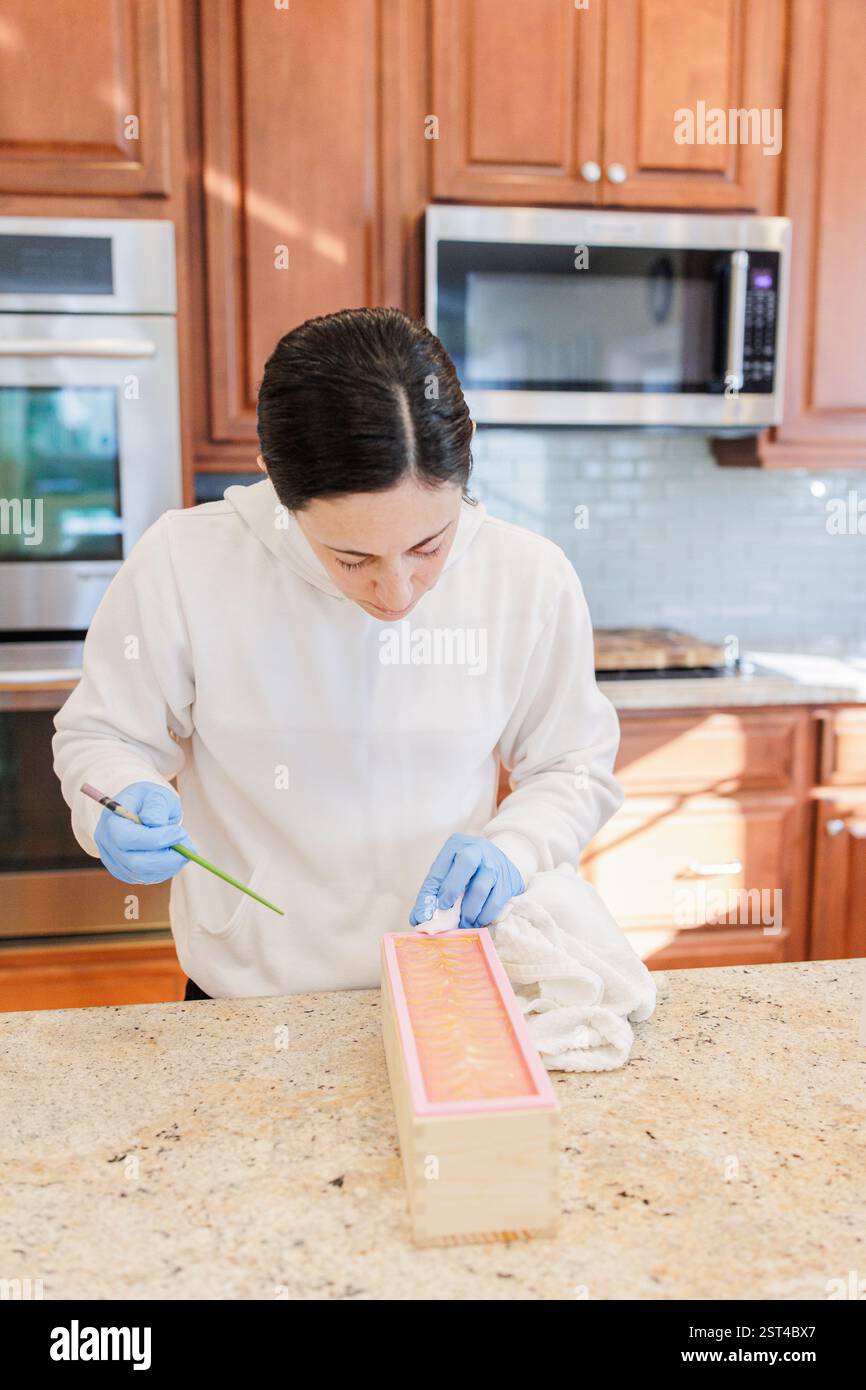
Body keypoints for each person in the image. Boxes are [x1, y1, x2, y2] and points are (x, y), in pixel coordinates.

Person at [53, 307, 623, 999]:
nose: (397, 591)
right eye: (352, 558)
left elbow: (572, 766)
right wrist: (117, 798)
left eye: (428, 547)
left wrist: (517, 849)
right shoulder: (185, 560)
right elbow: (106, 736)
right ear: (277, 485)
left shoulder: (528, 576)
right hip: (248, 995)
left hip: (446, 981)